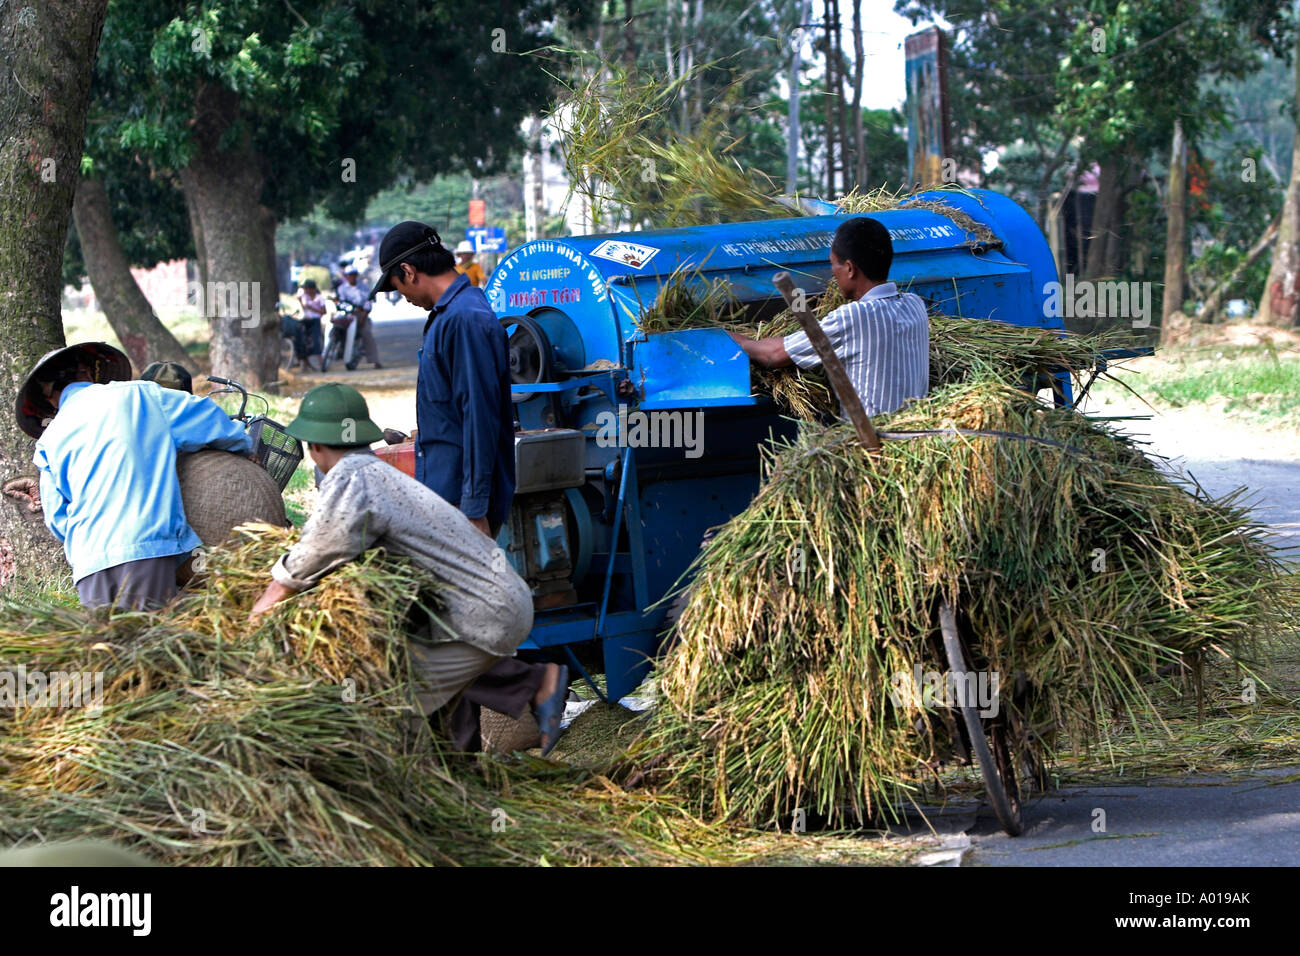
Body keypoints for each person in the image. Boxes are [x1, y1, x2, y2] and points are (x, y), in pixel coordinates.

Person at [248, 384, 570, 753]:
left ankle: (539, 683)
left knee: (394, 701)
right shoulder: (373, 471)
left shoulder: (352, 478)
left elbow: (316, 550)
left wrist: (263, 608)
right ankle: (455, 776)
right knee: (433, 695)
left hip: (482, 612)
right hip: (489, 602)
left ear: (315, 446)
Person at [372, 220, 569, 750]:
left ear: (409, 272)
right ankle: (454, 762)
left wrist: (475, 509)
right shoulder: (452, 315)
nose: (399, 295)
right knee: (445, 624)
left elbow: (483, 420)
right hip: (447, 497)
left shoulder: (464, 318)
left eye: (395, 284)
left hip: (462, 504)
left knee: (440, 632)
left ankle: (536, 682)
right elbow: (459, 413)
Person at [16, 342, 253, 610]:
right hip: (145, 548)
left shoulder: (49, 439)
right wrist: (242, 444)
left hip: (88, 563)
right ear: (88, 372)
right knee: (146, 639)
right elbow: (210, 421)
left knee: (108, 646)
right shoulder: (141, 397)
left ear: (48, 399)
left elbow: (58, 519)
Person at [729, 217, 930, 417]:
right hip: (914, 434)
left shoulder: (852, 317)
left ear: (850, 269)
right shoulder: (915, 305)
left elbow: (772, 355)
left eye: (833, 264)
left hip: (870, 442)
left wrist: (726, 337)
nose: (833, 273)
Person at [336, 264, 382, 371]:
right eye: (349, 275)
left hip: (361, 314)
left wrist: (364, 314)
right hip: (346, 314)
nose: (351, 277)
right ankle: (336, 351)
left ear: (356, 275)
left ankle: (375, 360)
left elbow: (368, 301)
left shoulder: (364, 287)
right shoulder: (341, 289)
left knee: (366, 334)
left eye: (353, 275)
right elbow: (340, 301)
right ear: (346, 276)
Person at [294, 278, 328, 371]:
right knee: (302, 341)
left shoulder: (319, 298)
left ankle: (321, 364)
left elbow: (324, 311)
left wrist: (312, 308)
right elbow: (301, 303)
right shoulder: (304, 297)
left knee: (316, 341)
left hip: (315, 320)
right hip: (306, 320)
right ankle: (304, 363)